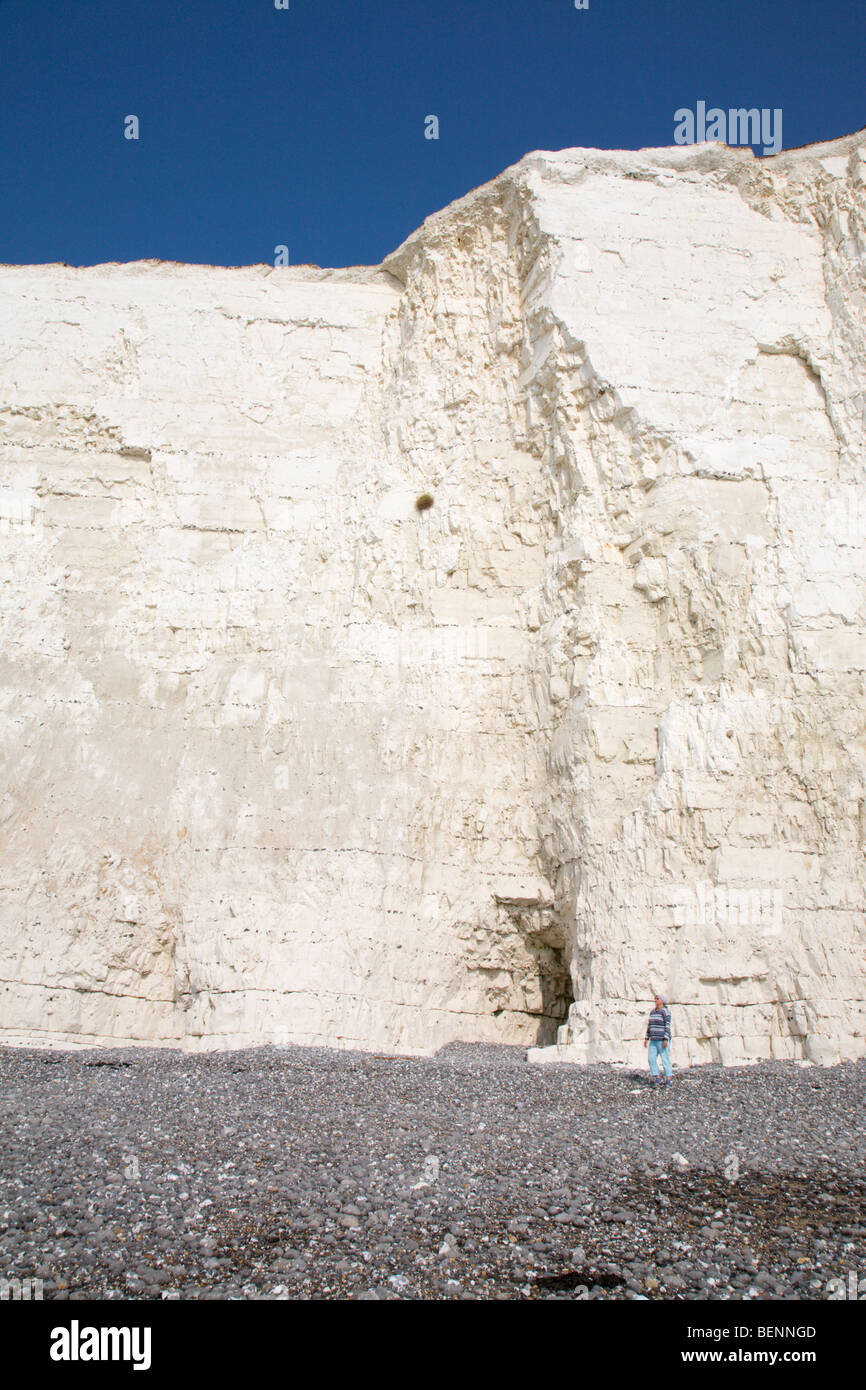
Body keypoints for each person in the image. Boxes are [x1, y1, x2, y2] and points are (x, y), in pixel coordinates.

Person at [644, 993, 672, 1086]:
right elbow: (650, 1025)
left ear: (662, 1001)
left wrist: (665, 1039)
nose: (655, 1000)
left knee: (665, 1059)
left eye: (657, 999)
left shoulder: (665, 1012)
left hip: (662, 1039)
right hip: (653, 1039)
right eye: (655, 999)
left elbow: (667, 1025)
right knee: (651, 1058)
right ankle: (657, 1077)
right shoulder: (652, 1012)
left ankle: (668, 1078)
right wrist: (646, 1038)